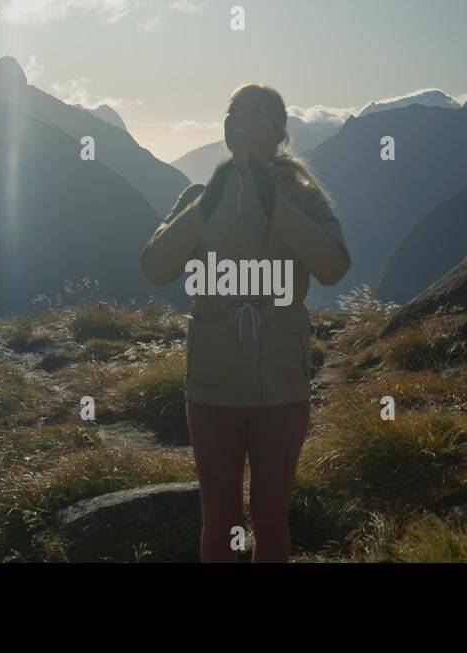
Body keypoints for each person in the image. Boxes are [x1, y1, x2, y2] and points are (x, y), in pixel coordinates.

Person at [139, 84, 351, 562]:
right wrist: (207, 204)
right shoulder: (198, 195)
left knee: (271, 515)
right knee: (220, 516)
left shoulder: (304, 197)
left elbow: (334, 267)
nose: (241, 116)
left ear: (277, 131)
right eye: (234, 108)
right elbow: (155, 268)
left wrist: (274, 204)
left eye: (256, 111)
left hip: (280, 381)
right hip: (213, 381)